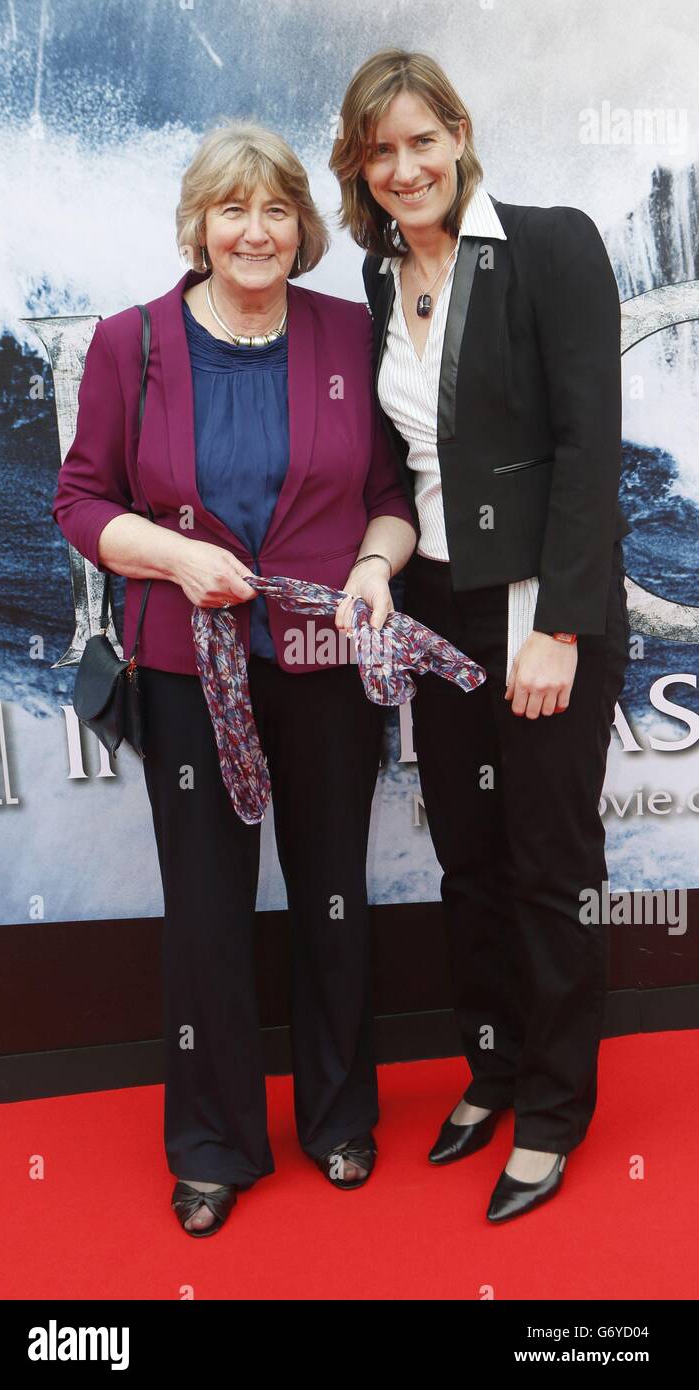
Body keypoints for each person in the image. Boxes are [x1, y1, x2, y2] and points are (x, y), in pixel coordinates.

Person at [52, 121, 417, 1236]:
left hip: (322, 661)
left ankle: (339, 1116)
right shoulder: (131, 342)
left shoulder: (351, 333)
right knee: (207, 912)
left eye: (275, 210)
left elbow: (393, 498)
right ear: (197, 226)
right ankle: (211, 1144)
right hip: (183, 670)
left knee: (333, 892)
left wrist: (372, 566)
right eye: (230, 210)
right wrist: (175, 557)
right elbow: (80, 502)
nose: (254, 232)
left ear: (302, 226)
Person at [330, 49, 631, 1223]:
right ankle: (493, 1065)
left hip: (539, 608)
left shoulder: (551, 246)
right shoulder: (376, 280)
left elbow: (589, 451)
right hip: (437, 609)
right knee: (467, 857)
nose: (405, 167)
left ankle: (553, 1108)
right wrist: (376, 566)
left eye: (423, 140)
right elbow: (404, 471)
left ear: (458, 134)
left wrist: (558, 625)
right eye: (381, 150)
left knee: (548, 866)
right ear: (360, 166)